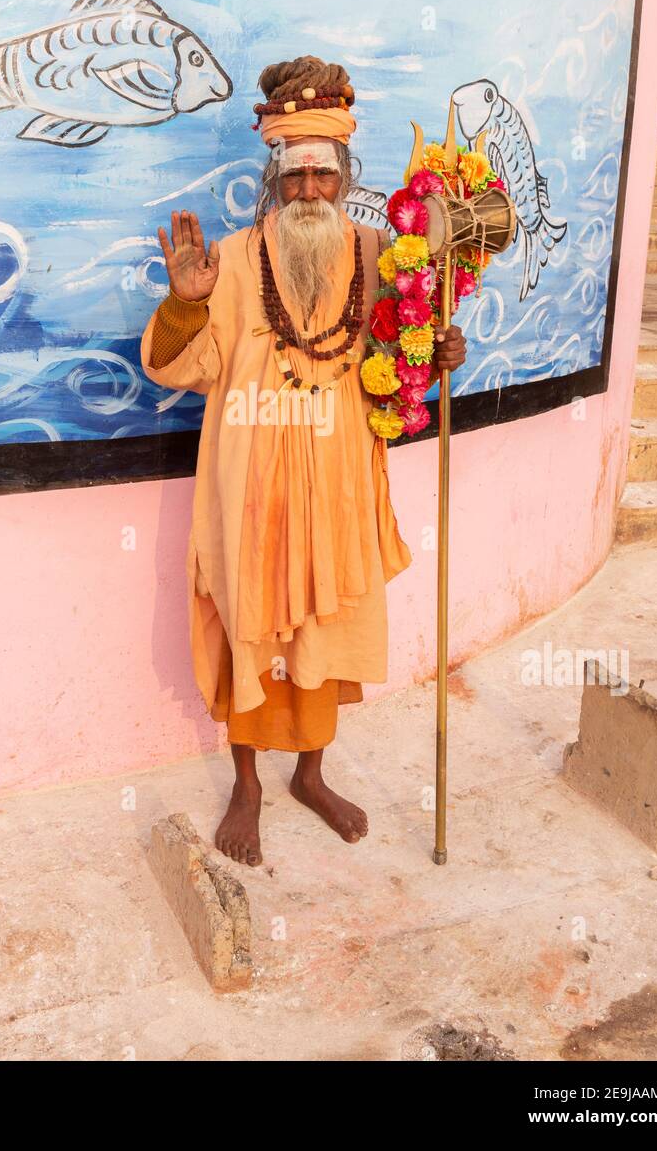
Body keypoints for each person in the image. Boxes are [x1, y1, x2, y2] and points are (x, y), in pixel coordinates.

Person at [140, 55, 466, 865]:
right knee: (251, 625)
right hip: (249, 491)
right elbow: (182, 367)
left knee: (330, 623)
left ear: (346, 174)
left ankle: (310, 775)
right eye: (295, 175)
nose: (310, 190)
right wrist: (185, 304)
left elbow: (404, 357)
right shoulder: (232, 259)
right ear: (273, 178)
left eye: (324, 173)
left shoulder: (382, 255)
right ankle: (249, 784)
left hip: (341, 487)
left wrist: (440, 348)